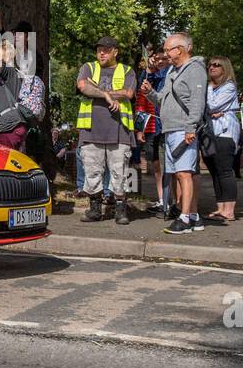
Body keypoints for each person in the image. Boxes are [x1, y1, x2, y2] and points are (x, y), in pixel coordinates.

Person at [144, 32, 207, 233]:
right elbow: (162, 99)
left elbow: (197, 101)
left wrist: (191, 127)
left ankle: (185, 218)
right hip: (171, 129)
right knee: (178, 174)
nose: (165, 54)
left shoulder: (195, 70)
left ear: (180, 49)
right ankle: (194, 216)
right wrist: (150, 93)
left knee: (184, 173)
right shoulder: (173, 71)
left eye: (167, 49)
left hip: (183, 129)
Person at [76, 36, 137, 225]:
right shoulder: (88, 67)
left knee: (120, 172)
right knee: (92, 171)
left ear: (115, 52)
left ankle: (120, 209)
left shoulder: (127, 70)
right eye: (99, 49)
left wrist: (101, 93)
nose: (101, 53)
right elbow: (83, 86)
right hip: (91, 130)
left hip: (119, 131)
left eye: (106, 50)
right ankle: (94, 209)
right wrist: (108, 95)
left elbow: (128, 93)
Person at [203, 56, 240, 223]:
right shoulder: (209, 87)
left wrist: (209, 90)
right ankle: (220, 207)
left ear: (225, 68)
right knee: (215, 172)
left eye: (216, 65)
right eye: (210, 65)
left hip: (225, 133)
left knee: (225, 171)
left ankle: (229, 210)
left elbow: (211, 106)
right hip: (210, 133)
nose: (212, 67)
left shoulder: (229, 86)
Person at [138, 49, 172, 217]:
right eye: (156, 59)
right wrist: (140, 129)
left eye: (163, 58)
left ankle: (171, 201)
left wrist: (153, 71)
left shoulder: (170, 74)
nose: (159, 61)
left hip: (168, 126)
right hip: (152, 127)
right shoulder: (149, 75)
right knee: (156, 165)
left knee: (172, 167)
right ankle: (161, 199)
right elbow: (141, 99)